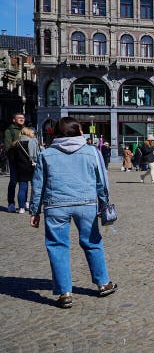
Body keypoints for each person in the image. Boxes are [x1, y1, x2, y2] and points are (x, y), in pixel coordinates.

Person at [28, 117, 117, 308]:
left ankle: (65, 293)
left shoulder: (47, 153)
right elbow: (101, 180)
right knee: (92, 243)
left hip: (55, 206)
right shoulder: (92, 151)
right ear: (79, 132)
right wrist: (104, 204)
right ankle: (103, 284)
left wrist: (34, 211)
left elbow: (38, 185)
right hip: (86, 204)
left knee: (57, 246)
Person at [8, 127, 40, 213]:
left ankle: (21, 208)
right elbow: (38, 154)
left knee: (22, 187)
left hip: (20, 168)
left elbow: (12, 158)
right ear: (28, 133)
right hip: (32, 167)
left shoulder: (15, 143)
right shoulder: (33, 141)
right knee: (35, 187)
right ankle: (32, 205)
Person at [5, 113, 25, 212]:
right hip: (15, 161)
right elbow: (8, 147)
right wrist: (19, 141)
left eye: (23, 118)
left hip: (25, 162)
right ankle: (11, 203)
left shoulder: (26, 130)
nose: (22, 119)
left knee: (24, 182)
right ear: (14, 120)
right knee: (13, 182)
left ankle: (23, 203)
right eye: (19, 118)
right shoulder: (9, 131)